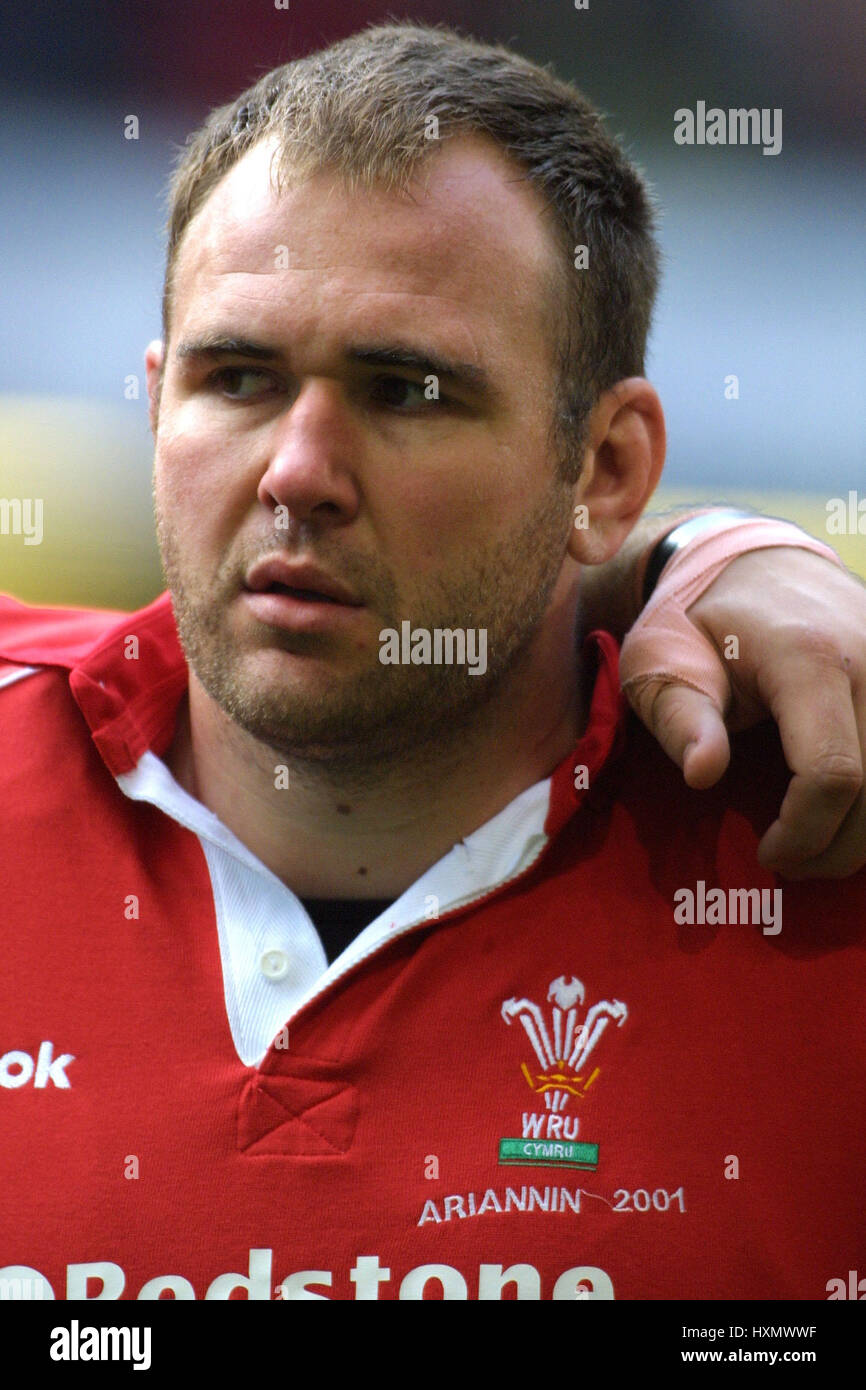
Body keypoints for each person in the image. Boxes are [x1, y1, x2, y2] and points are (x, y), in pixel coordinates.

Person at [0, 22, 864, 1302]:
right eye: (235, 377)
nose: (296, 473)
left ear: (606, 468)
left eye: (406, 391)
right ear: (153, 400)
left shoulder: (807, 850)